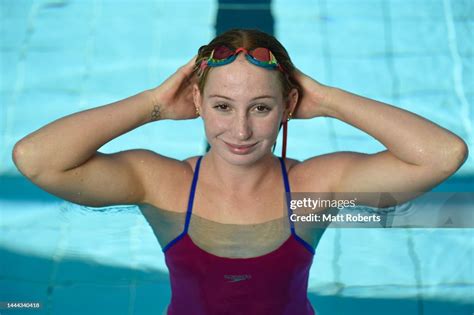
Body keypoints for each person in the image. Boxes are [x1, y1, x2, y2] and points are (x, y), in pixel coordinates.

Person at [12, 29, 468, 315]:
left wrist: (326, 98)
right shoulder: (164, 184)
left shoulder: (314, 186)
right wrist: (151, 104)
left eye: (262, 107)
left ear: (288, 106)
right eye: (222, 106)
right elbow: (36, 158)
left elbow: (443, 154)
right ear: (197, 103)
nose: (241, 130)